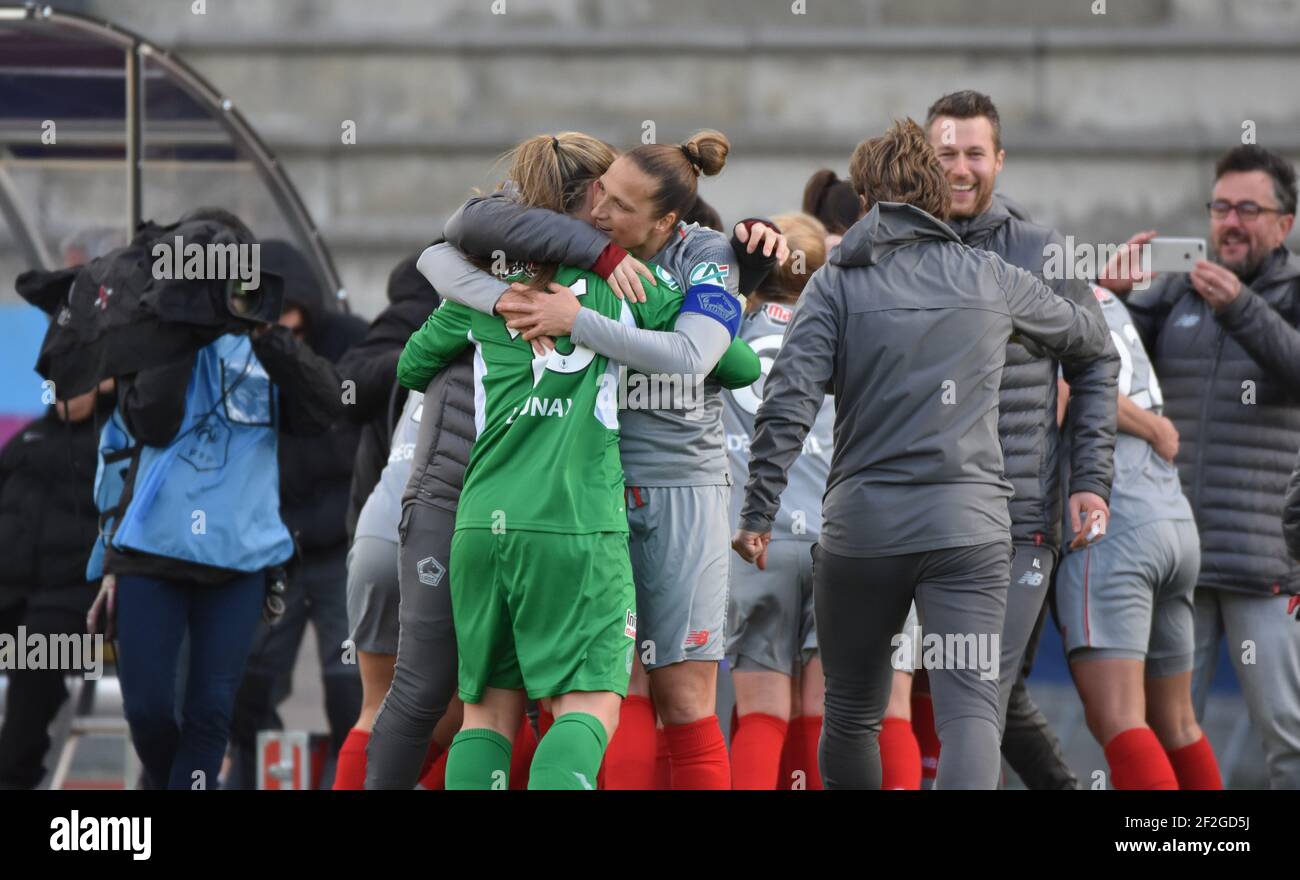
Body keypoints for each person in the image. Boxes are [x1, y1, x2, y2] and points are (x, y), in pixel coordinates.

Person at [732, 119, 1112, 789]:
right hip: (969, 527)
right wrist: (1005, 340)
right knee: (969, 712)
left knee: (851, 713)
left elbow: (787, 402)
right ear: (937, 190)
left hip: (861, 530)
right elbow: (1086, 338)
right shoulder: (989, 275)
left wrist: (759, 510)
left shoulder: (835, 284)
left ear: (868, 195)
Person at [422, 130, 783, 789]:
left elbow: (700, 357)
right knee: (614, 696)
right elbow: (448, 243)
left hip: (626, 493)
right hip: (597, 498)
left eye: (618, 205)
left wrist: (558, 316)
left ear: (667, 220)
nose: (598, 214)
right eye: (599, 194)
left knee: (654, 698)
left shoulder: (703, 253)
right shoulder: (595, 266)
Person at [87, 209, 344, 790]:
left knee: (209, 714)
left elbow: (327, 409)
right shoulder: (153, 339)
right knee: (150, 713)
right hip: (153, 552)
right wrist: (182, 324)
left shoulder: (265, 341)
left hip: (241, 561)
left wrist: (266, 335)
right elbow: (150, 420)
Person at [925, 90, 1119, 790]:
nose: (960, 168)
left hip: (1018, 522)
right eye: (946, 153)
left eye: (975, 153)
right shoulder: (897, 246)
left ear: (999, 159)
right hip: (917, 518)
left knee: (975, 694)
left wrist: (1092, 480)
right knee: (983, 695)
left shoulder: (1041, 252)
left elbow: (1096, 362)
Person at [1103, 144, 1300, 789]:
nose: (1230, 222)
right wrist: (1109, 295)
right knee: (1168, 728)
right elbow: (1113, 372)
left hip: (1266, 565)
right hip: (1180, 556)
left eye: (1249, 208)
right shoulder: (1178, 291)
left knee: (1287, 735)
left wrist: (1241, 306)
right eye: (1220, 207)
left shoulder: (1289, 294)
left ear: (1285, 223)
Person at [1055, 286, 1222, 789]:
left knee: (1120, 718)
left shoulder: (1031, 290)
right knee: (1177, 722)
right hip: (1170, 518)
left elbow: (1068, 390)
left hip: (1113, 524)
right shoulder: (1102, 293)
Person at [227, 241, 367, 790]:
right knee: (250, 682)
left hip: (338, 542)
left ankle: (347, 779)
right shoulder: (239, 351)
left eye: (288, 310)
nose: (280, 325)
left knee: (349, 680)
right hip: (272, 544)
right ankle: (251, 770)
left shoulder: (349, 341)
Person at [722, 211, 833, 790]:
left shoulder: (725, 331)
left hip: (754, 537)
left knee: (762, 713)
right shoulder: (838, 330)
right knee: (824, 716)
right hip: (833, 537)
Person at [0, 382, 113, 789]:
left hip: (74, 601)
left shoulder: (113, 442)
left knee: (35, 654)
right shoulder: (29, 437)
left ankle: (14, 776)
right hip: (12, 594)